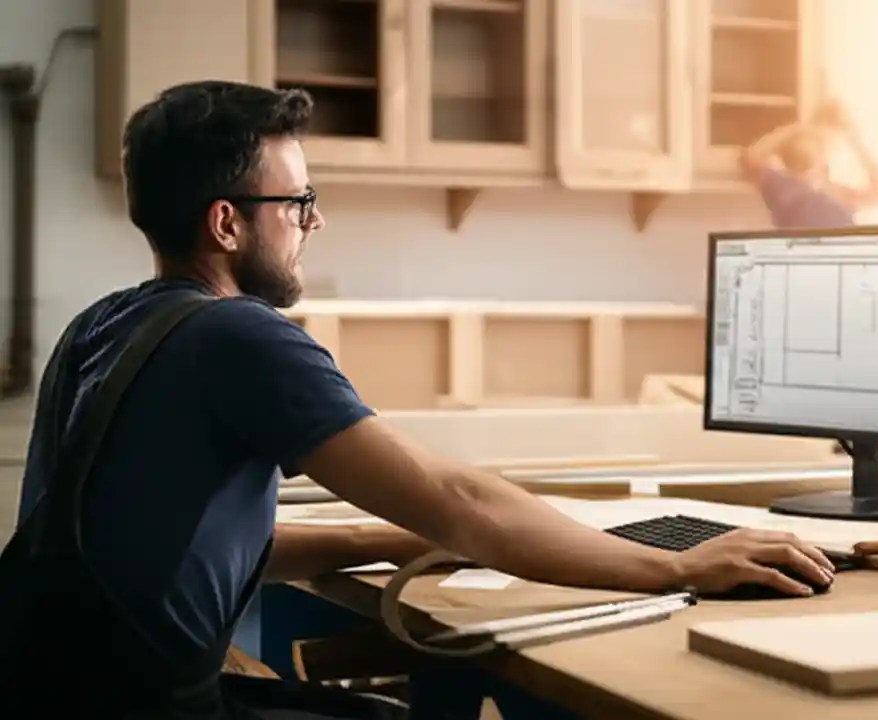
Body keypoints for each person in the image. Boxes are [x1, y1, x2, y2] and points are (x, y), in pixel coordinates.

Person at [0, 80, 834, 719]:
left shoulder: (98, 328)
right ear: (227, 224)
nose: (314, 222)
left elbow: (168, 545)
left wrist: (386, 537)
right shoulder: (238, 336)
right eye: (298, 202)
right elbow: (463, 501)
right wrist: (677, 565)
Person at [741, 99, 878, 228]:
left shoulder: (834, 194)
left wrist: (853, 136)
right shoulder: (782, 187)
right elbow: (751, 156)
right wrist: (805, 127)